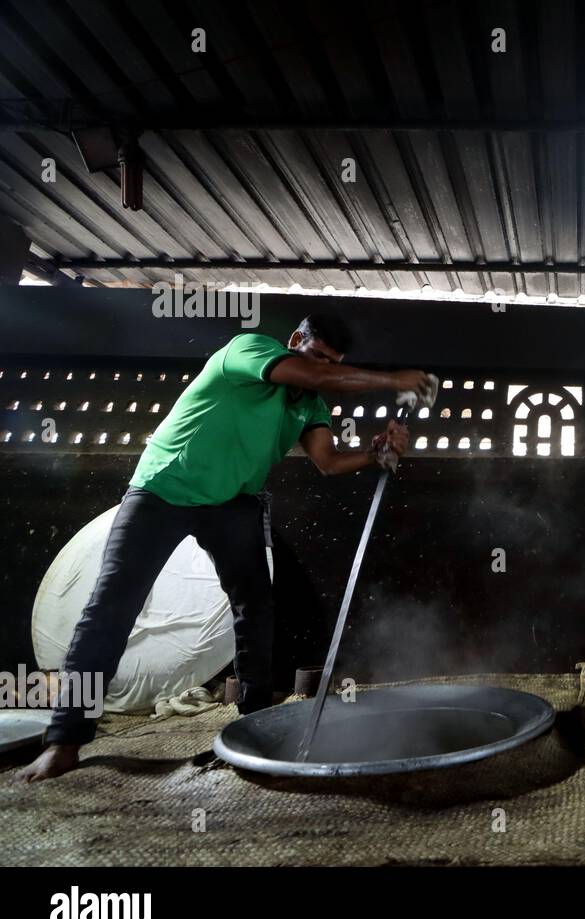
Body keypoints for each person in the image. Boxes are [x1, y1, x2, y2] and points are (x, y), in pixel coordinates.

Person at [15, 314, 437, 782]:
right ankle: (65, 740)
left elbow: (329, 462)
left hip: (232, 503)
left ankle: (252, 724)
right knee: (109, 610)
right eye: (315, 355)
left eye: (333, 363)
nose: (322, 368)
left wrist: (376, 453)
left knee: (254, 608)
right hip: (162, 489)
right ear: (295, 341)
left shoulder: (308, 405)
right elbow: (316, 376)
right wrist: (394, 380)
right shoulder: (248, 350)